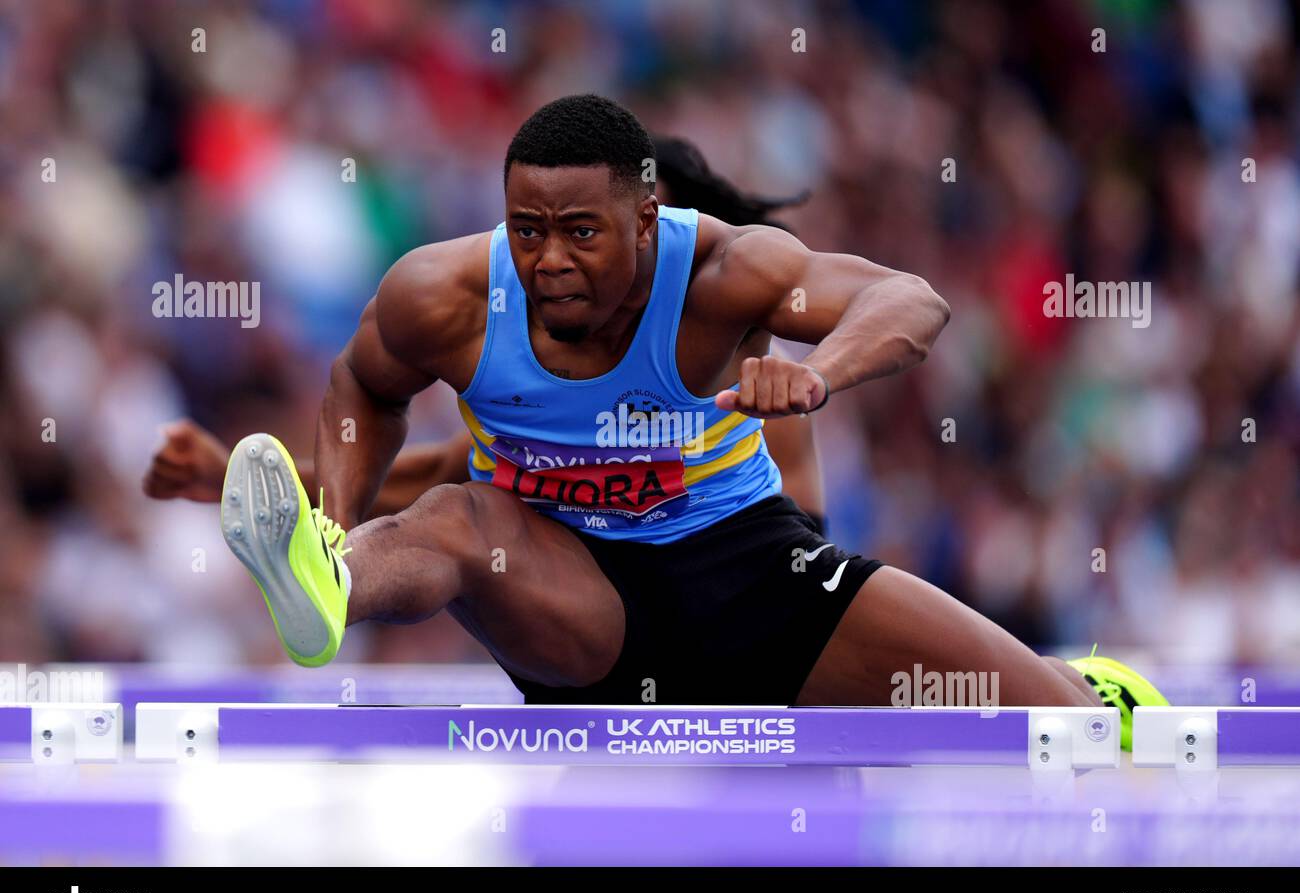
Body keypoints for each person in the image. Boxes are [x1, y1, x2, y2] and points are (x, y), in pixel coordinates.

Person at [178, 95, 1169, 745]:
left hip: (752, 585)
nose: (549, 261)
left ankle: (1082, 691)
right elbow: (362, 392)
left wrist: (818, 374)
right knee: (454, 515)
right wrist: (337, 508)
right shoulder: (444, 295)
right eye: (527, 231)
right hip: (574, 603)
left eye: (580, 234)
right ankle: (330, 578)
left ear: (647, 222)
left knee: (1064, 726)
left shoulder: (725, 276)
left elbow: (910, 301)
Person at [144, 134, 826, 528]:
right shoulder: (544, 365)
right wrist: (237, 478)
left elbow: (794, 541)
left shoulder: (753, 387)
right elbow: (436, 473)